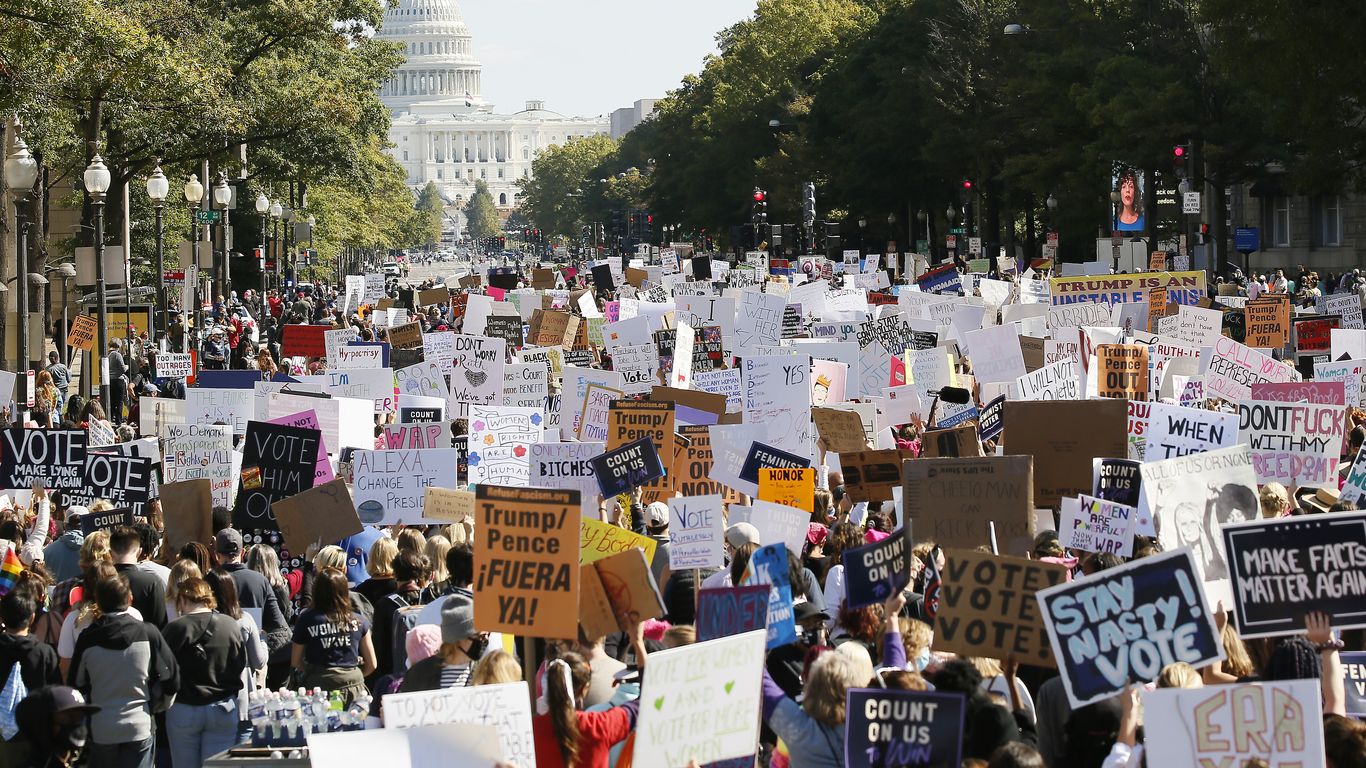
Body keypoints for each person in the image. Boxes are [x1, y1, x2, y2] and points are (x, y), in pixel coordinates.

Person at [69, 572, 180, 768]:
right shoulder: (148, 633)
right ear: (130, 599)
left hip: (101, 726)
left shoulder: (88, 639)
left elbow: (75, 684)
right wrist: (156, 705)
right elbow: (172, 677)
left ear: (99, 603)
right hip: (140, 722)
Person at [531, 618, 646, 768]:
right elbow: (645, 700)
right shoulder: (597, 726)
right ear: (585, 687)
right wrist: (638, 642)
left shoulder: (531, 730)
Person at [161, 577, 245, 767]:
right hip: (223, 707)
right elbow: (240, 663)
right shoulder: (230, 624)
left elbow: (161, 668)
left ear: (182, 600)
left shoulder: (175, 628)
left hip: (184, 707)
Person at [290, 568, 375, 706]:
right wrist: (351, 678)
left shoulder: (306, 619)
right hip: (353, 690)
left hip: (318, 691)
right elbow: (372, 664)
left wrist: (314, 675)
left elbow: (296, 662)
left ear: (316, 590)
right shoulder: (360, 621)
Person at [398, 593, 486, 692]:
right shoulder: (419, 674)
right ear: (459, 639)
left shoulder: (485, 671)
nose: (483, 641)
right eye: (479, 636)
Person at [12, 685, 102, 768]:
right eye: (70, 717)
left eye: (80, 718)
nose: (77, 725)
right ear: (43, 724)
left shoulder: (80, 760)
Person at [109, 526, 167, 630]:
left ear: (110, 554)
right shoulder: (151, 582)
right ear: (139, 552)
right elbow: (161, 625)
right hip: (146, 642)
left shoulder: (102, 582)